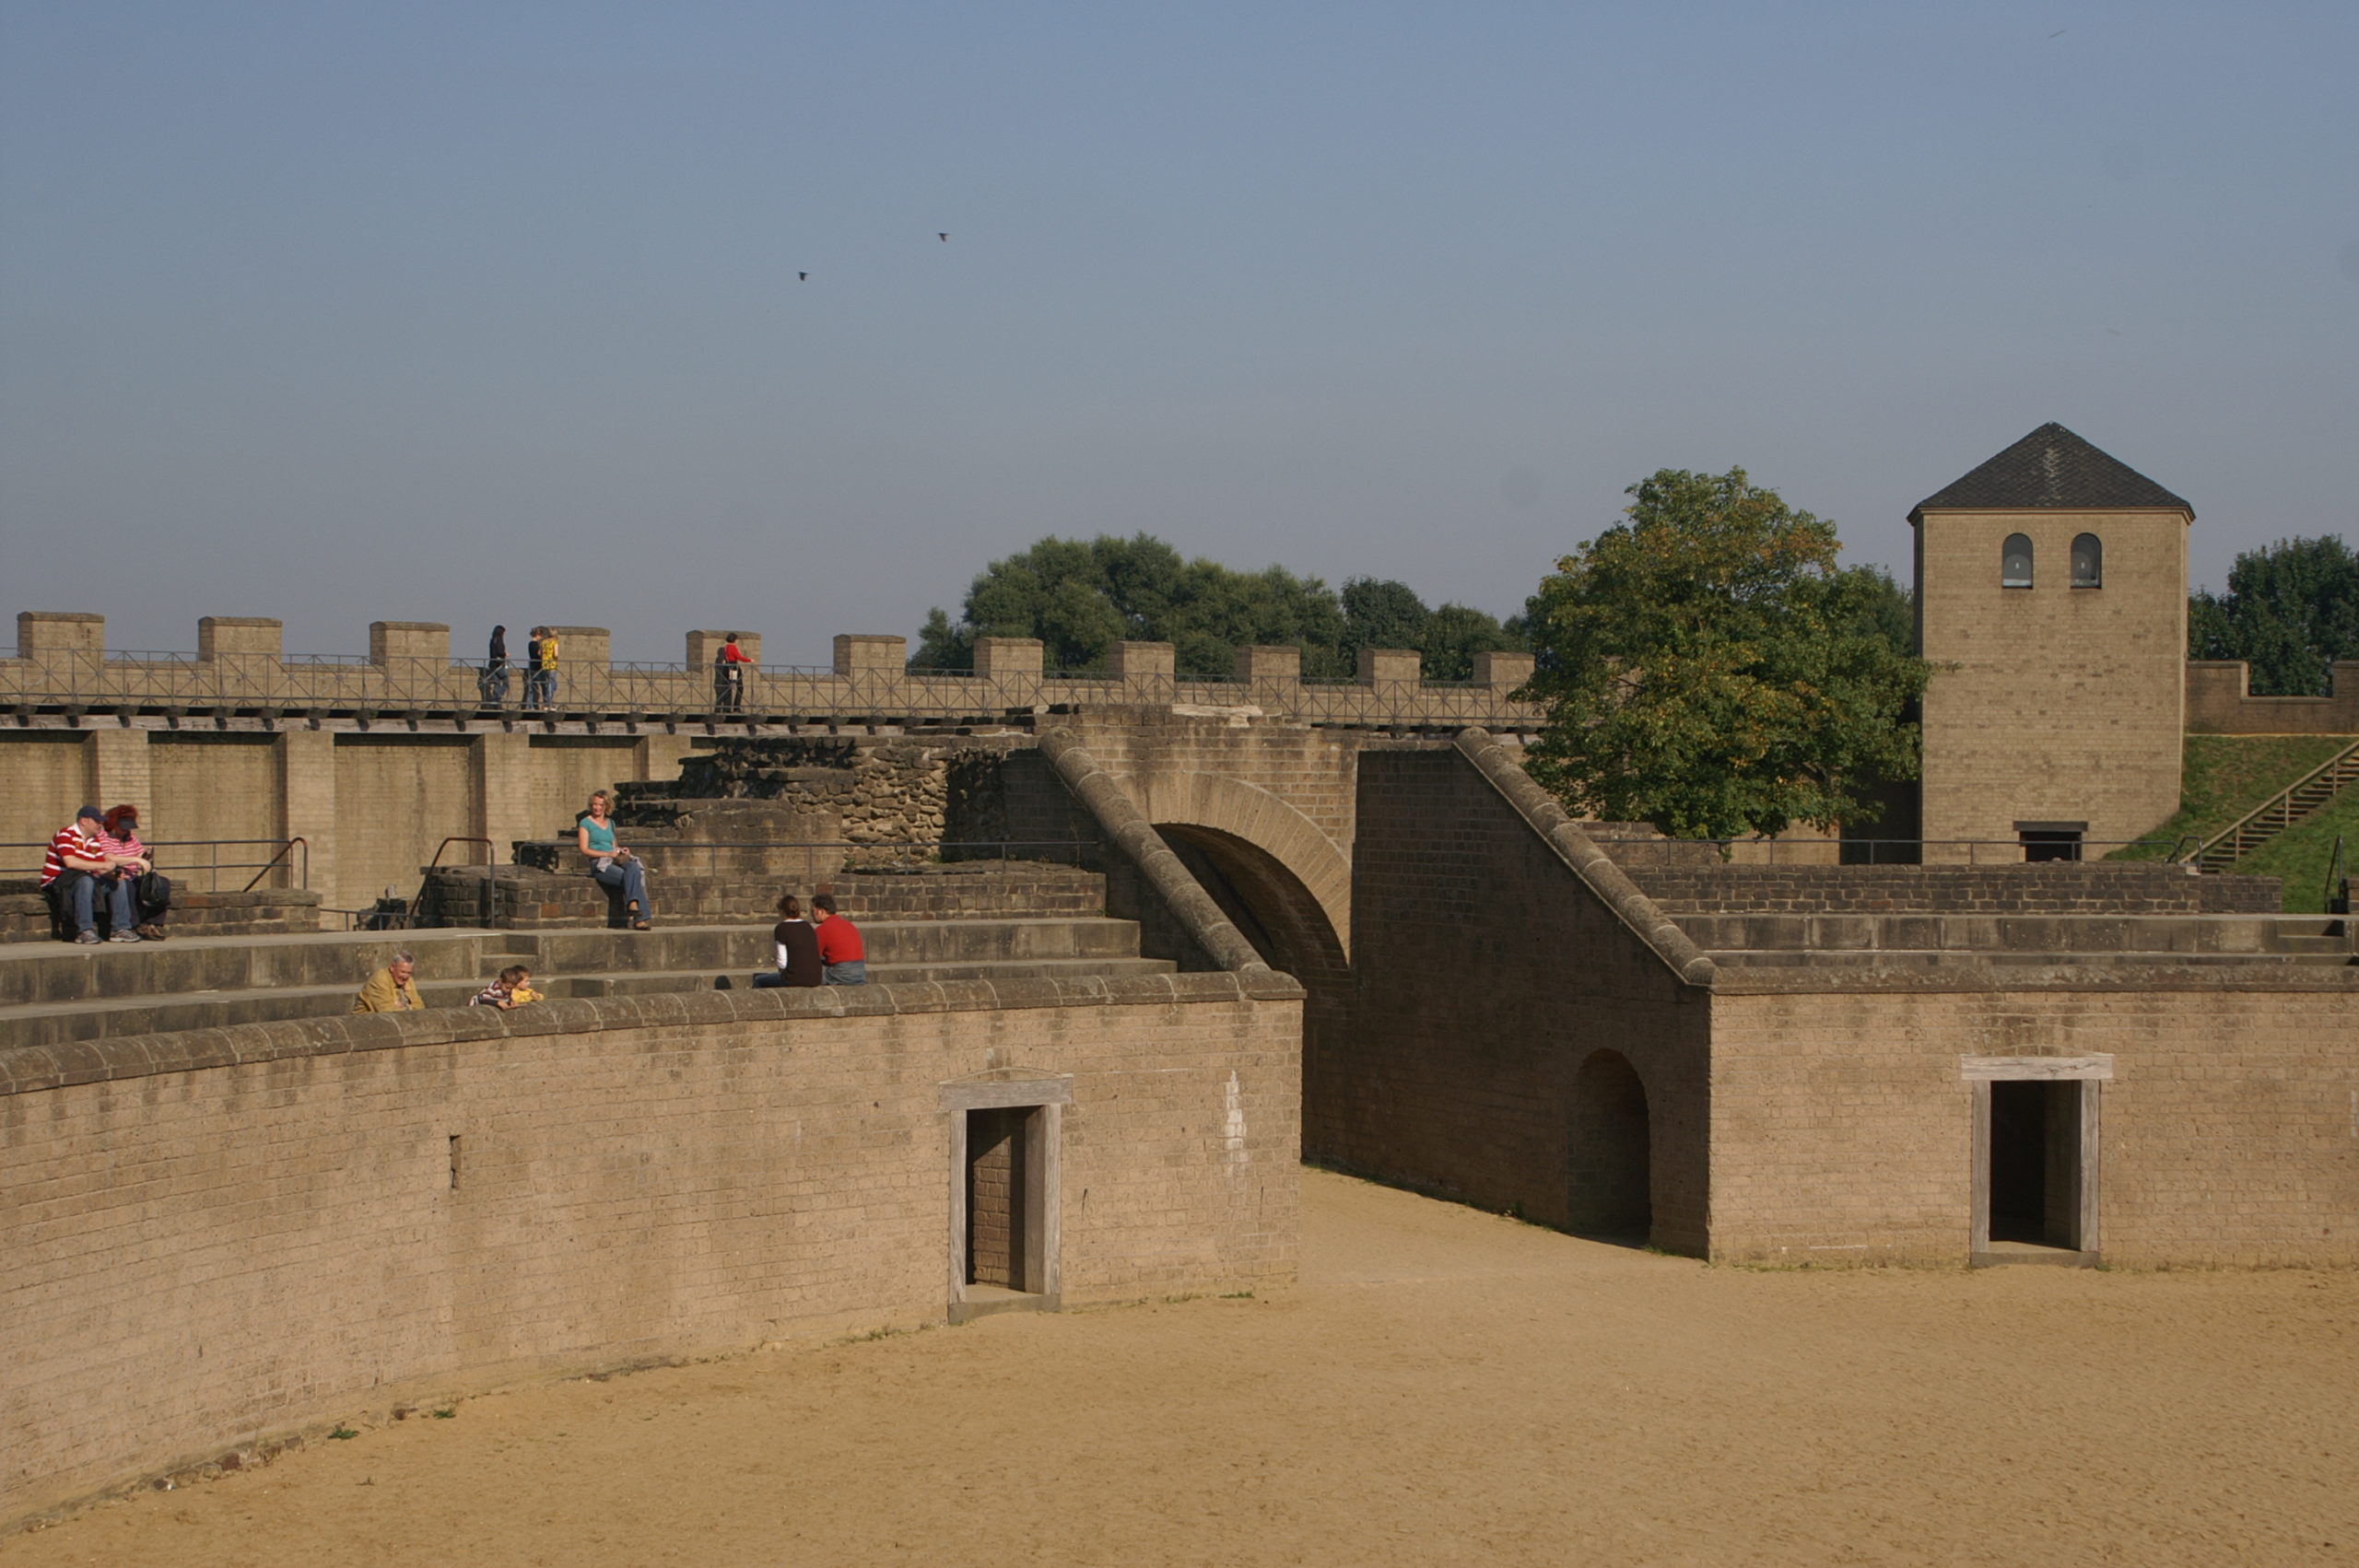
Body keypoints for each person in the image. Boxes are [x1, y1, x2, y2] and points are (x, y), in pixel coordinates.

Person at [40, 804, 138, 943]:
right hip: (58, 882)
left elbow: (98, 868)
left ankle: (120, 929)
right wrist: (104, 864)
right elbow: (71, 862)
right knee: (86, 881)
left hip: (84, 879)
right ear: (83, 821)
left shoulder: (94, 840)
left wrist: (112, 874)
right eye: (97, 821)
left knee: (117, 882)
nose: (100, 825)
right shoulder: (65, 834)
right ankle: (84, 930)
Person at [578, 790, 651, 930]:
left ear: (606, 806)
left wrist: (621, 851)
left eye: (600, 805)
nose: (596, 808)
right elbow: (584, 849)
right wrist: (606, 854)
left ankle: (633, 904)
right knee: (632, 878)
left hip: (614, 859)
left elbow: (614, 846)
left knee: (634, 868)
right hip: (599, 863)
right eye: (594, 804)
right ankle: (640, 919)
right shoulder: (585, 823)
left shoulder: (610, 823)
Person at [98, 803, 169, 941]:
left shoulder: (131, 837)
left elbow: (138, 854)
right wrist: (135, 859)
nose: (126, 831)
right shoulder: (104, 837)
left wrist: (146, 855)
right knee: (126, 886)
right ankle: (134, 924)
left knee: (162, 884)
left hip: (132, 874)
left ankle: (152, 922)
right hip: (115, 874)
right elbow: (110, 858)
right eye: (123, 828)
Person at [752, 893, 823, 989]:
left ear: (782, 911)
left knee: (758, 980)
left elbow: (782, 961)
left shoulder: (782, 928)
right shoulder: (808, 926)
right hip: (815, 978)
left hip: (794, 978)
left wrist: (783, 974)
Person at [811, 893, 867, 985]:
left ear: (821, 911)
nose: (812, 915)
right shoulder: (849, 925)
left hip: (842, 973)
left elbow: (812, 957)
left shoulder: (823, 929)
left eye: (813, 911)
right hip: (860, 972)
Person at [354, 951, 424, 1012]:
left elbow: (420, 1006)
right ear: (392, 967)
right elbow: (386, 1010)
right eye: (402, 972)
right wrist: (409, 1007)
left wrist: (405, 1007)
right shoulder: (380, 980)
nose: (405, 976)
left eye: (408, 973)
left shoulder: (409, 980)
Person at [713, 632, 754, 713]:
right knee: (739, 687)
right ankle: (736, 707)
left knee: (729, 687)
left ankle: (725, 708)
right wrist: (750, 660)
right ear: (734, 640)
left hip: (727, 667)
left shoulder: (725, 648)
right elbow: (739, 657)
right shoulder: (732, 647)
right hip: (733, 667)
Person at [470, 964, 541, 1009]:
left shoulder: (509, 990)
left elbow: (507, 999)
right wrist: (497, 1003)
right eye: (507, 988)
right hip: (476, 1004)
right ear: (500, 982)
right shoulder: (494, 988)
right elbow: (483, 998)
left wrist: (511, 1003)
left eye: (511, 989)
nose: (508, 990)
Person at [524, 626, 559, 711]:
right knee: (549, 685)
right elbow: (555, 654)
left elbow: (541, 653)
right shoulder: (553, 642)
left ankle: (533, 705)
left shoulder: (542, 643)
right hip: (545, 666)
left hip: (542, 665)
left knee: (536, 687)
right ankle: (548, 704)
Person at [479, 625, 511, 707]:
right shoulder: (499, 639)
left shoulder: (492, 640)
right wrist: (505, 654)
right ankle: (496, 699)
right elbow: (499, 652)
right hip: (499, 664)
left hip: (492, 664)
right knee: (505, 682)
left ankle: (496, 703)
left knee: (496, 683)